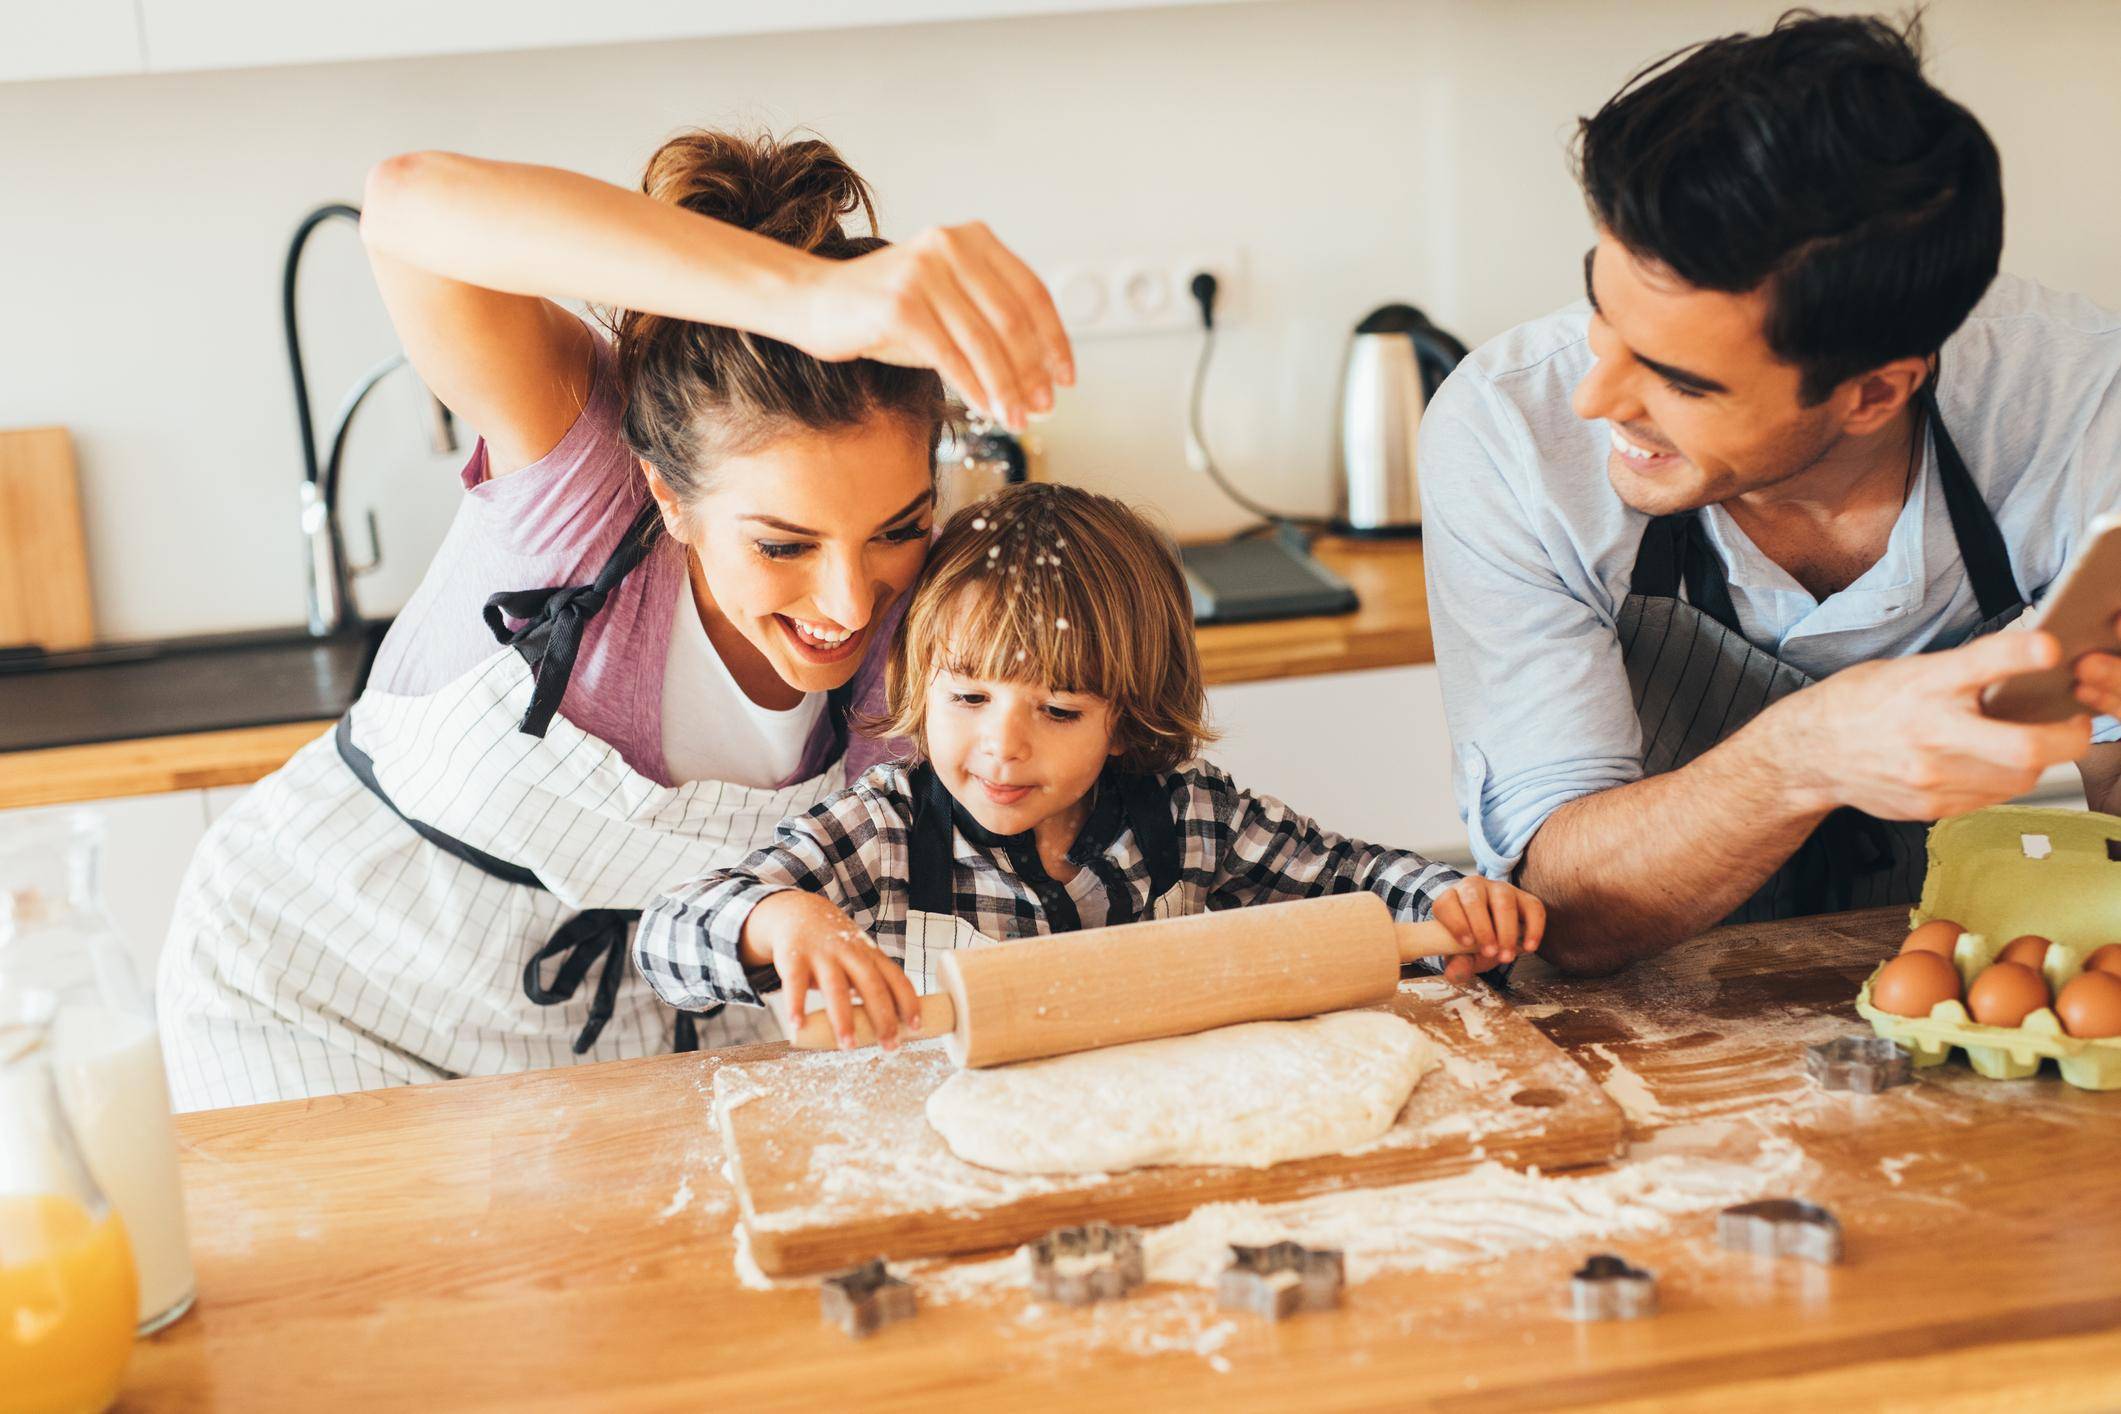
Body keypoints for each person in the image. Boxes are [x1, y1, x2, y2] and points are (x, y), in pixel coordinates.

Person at [156, 130, 1073, 1109]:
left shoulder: (926, 635)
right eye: (782, 546)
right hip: (320, 993)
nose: (851, 603)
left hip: (623, 1049)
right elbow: (409, 203)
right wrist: (808, 299)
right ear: (670, 498)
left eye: (897, 528)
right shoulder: (584, 484)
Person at [1419, 13, 2121, 977]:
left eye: (1680, 381)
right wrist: (1806, 751)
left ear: (1874, 393)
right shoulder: (1509, 430)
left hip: (1953, 973)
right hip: (1642, 1003)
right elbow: (1560, 910)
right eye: (1601, 311)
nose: (1596, 398)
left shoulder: (2083, 410)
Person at [636, 482, 1543, 1047]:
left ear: (1125, 718)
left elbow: (1360, 884)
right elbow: (666, 938)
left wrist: (1452, 905)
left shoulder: (1190, 819)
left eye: (1059, 710)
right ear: (920, 681)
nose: (1002, 745)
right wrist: (779, 919)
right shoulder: (883, 832)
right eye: (968, 698)